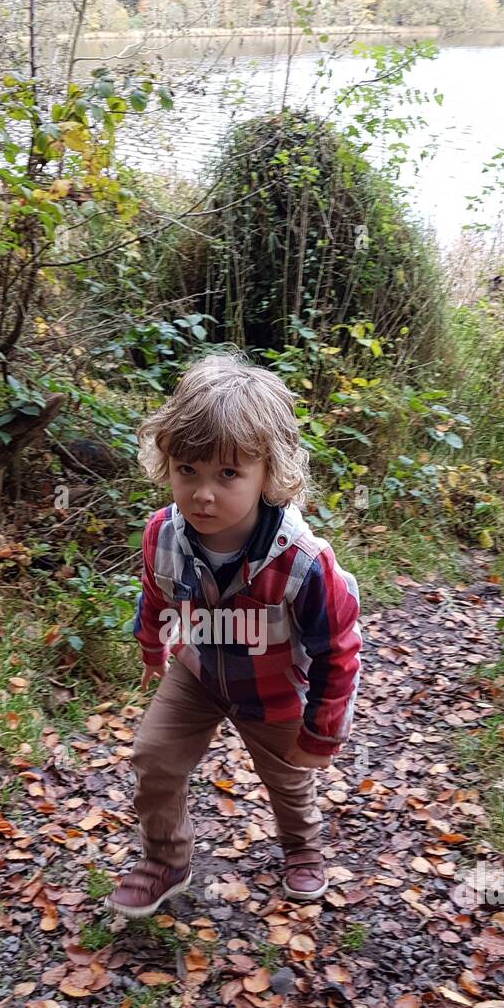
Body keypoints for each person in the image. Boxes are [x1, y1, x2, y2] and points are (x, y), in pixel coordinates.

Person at [108, 350, 362, 919]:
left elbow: (338, 649)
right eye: (187, 471)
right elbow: (157, 592)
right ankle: (166, 859)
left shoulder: (301, 561)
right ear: (166, 465)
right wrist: (152, 645)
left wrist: (321, 732)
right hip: (199, 671)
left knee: (290, 777)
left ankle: (302, 847)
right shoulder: (164, 534)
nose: (203, 494)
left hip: (272, 691)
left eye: (228, 474)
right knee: (154, 757)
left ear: (269, 472)